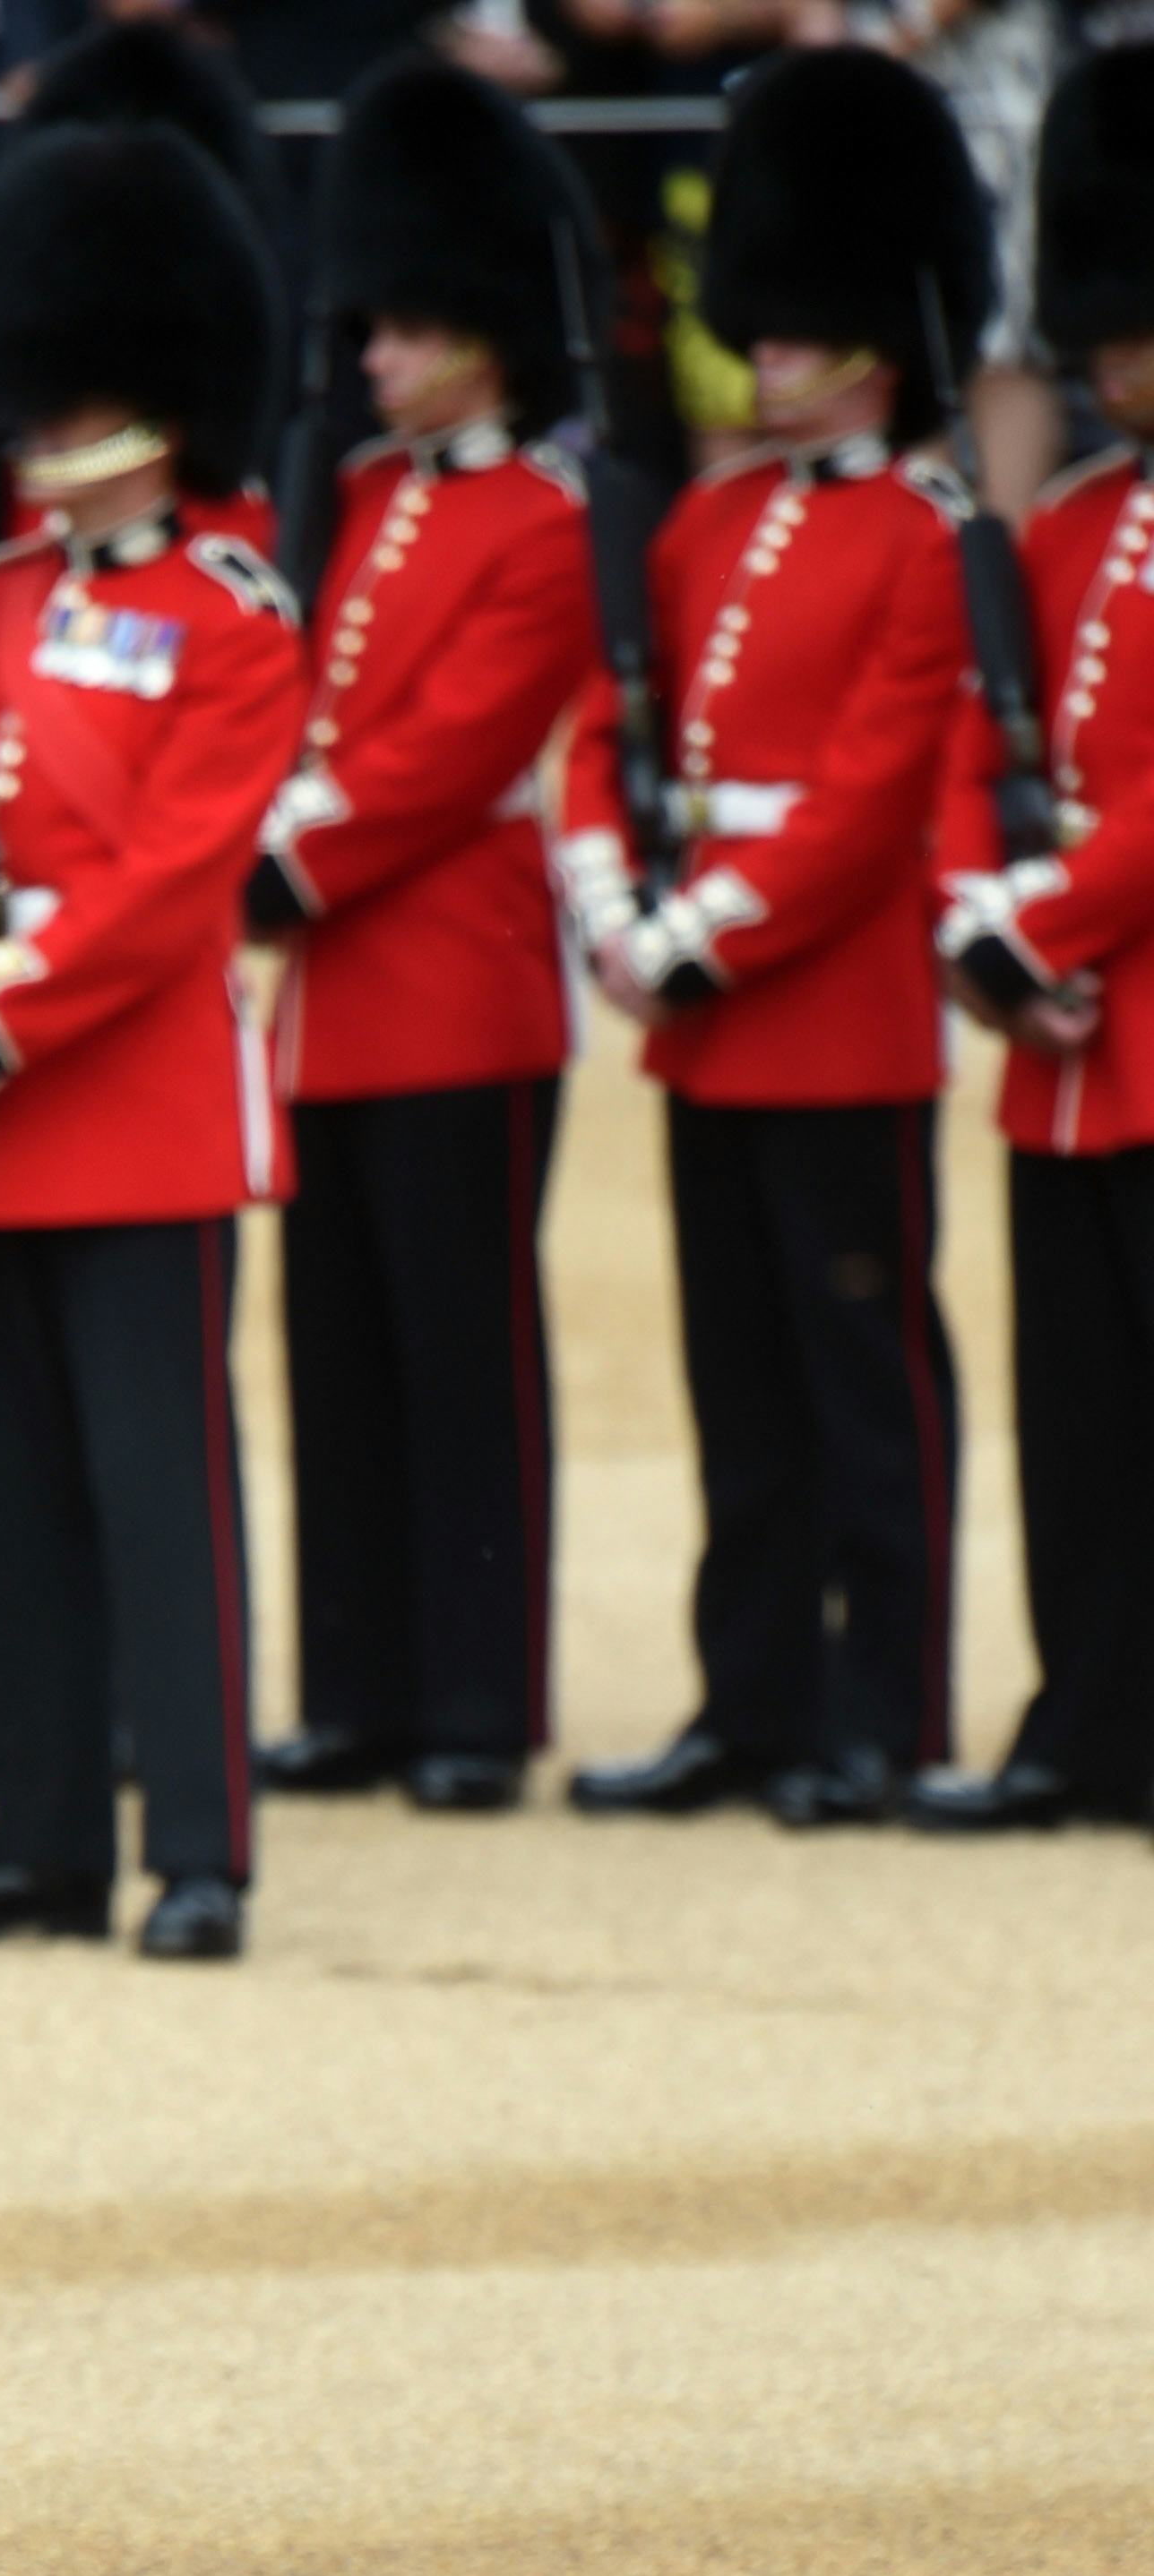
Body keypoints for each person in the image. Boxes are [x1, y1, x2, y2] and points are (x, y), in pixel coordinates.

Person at [0, 121, 302, 1964]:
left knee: (156, 1494)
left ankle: (196, 1850)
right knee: (20, 1496)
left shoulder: (231, 615)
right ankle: (34, 1840)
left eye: (76, 399)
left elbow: (172, 885)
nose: (37, 432)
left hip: (134, 1107)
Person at [560, 49, 985, 1832]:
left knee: (859, 1377)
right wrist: (608, 898)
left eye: (798, 334)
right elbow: (616, 723)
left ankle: (884, 1709)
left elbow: (871, 791)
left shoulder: (927, 535)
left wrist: (698, 934)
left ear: (875, 344)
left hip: (831, 1009)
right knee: (734, 1380)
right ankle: (752, 1699)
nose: (768, 356)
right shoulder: (710, 521)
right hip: (704, 1006)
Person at [246, 56, 599, 1816]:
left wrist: (276, 861)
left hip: (455, 990)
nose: (372, 357)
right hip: (329, 1000)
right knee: (338, 1351)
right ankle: (358, 1687)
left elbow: (447, 753)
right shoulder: (364, 501)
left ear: (481, 334)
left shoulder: (543, 519)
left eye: (403, 330)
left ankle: (474, 1699)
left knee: (462, 1360)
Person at [924, 45, 1154, 1839]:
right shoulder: (1066, 522)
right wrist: (982, 919)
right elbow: (977, 743)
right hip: (1062, 1047)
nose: (1111, 368)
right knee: (1075, 1417)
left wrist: (1044, 924)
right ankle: (1082, 1719)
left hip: (1124, 1011)